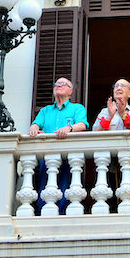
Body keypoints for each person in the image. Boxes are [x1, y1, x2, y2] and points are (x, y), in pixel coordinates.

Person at [27, 78, 88, 214]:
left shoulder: (77, 108)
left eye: (63, 84)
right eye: (56, 84)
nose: (58, 86)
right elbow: (35, 124)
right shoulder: (45, 110)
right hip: (47, 157)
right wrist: (34, 128)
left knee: (66, 189)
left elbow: (82, 125)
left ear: (70, 91)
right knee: (44, 189)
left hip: (68, 158)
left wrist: (69, 128)